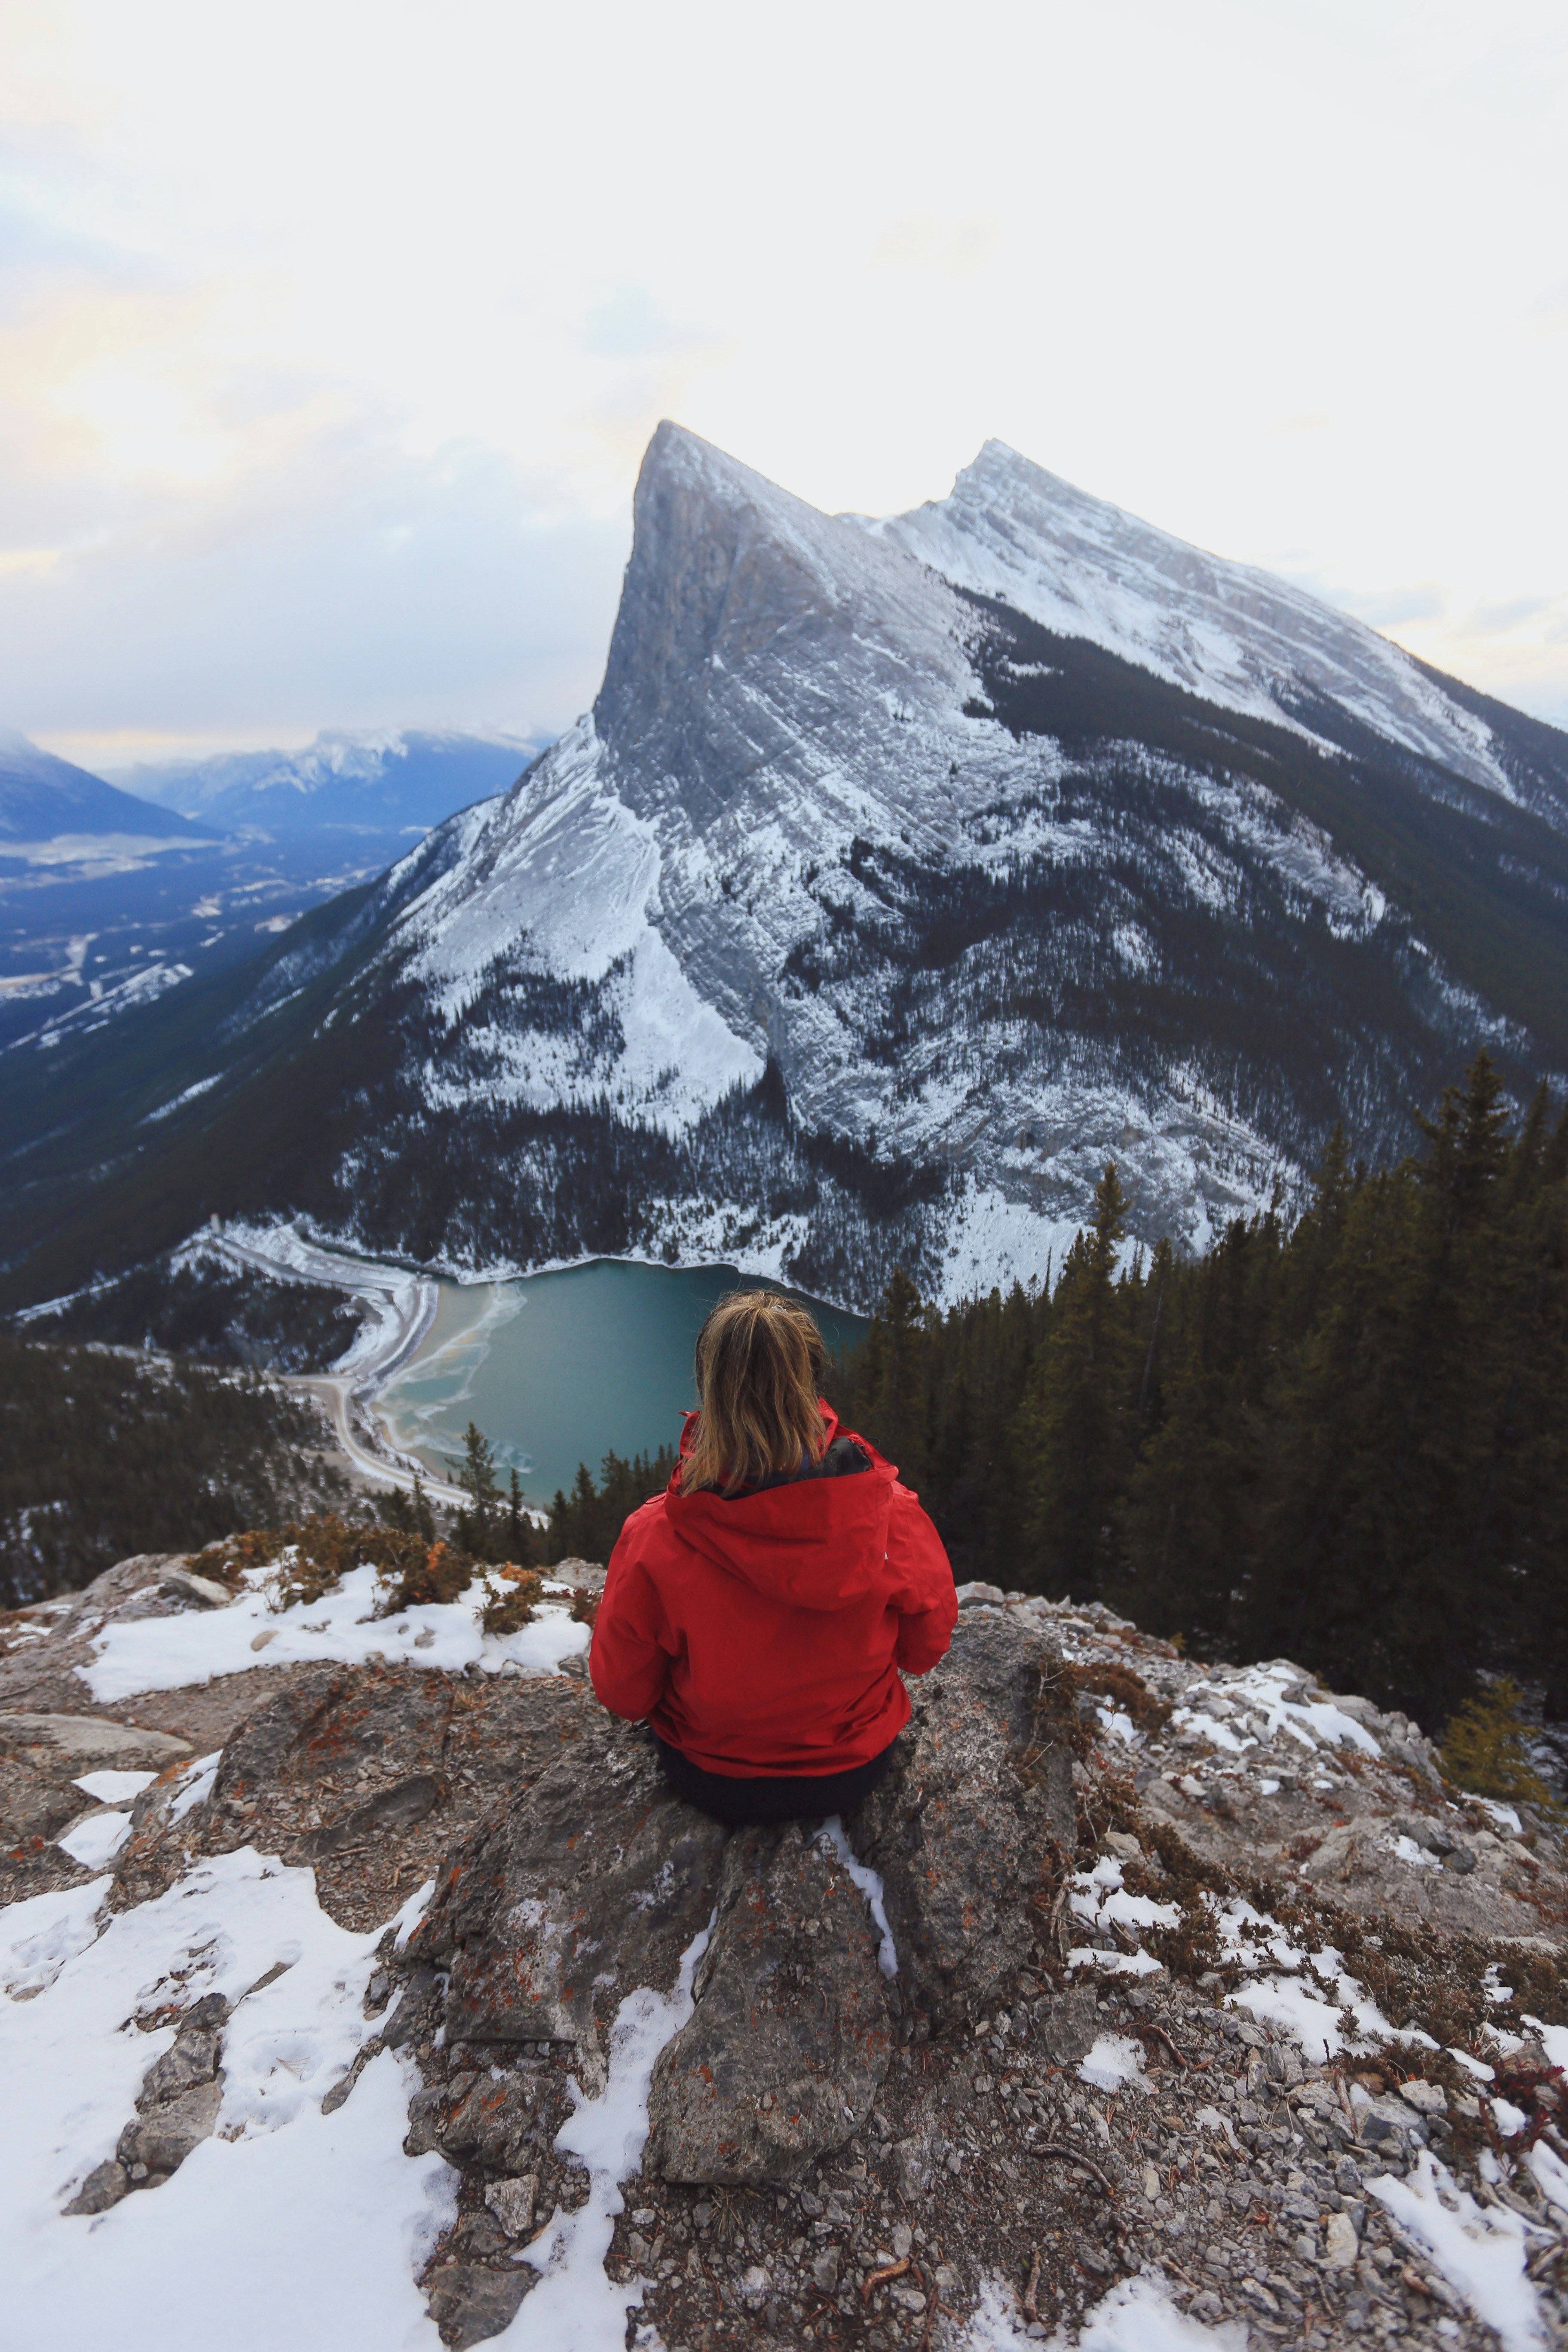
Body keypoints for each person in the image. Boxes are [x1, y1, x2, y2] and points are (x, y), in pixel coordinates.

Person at [588, 1288, 956, 1826]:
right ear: (811, 1383)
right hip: (852, 1769)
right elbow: (925, 1651)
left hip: (711, 1776)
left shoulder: (654, 1537)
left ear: (710, 1388)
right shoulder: (887, 1516)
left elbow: (624, 1693)